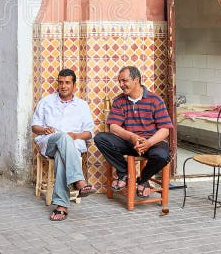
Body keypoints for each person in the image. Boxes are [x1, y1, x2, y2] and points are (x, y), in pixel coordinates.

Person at [94, 65, 173, 198]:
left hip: (150, 142)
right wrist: (132, 137)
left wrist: (148, 142)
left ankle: (143, 180)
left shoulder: (155, 100)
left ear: (136, 80)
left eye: (124, 81)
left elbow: (165, 129)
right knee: (100, 138)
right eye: (119, 81)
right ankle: (125, 173)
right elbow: (114, 127)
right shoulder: (119, 101)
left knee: (163, 155)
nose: (121, 84)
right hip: (129, 143)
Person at [30, 68, 95, 221]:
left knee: (63, 151)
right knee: (62, 138)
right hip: (50, 142)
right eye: (60, 83)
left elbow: (89, 133)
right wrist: (44, 129)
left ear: (74, 86)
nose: (63, 86)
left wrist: (76, 135)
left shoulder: (82, 105)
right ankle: (79, 181)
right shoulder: (46, 102)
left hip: (71, 146)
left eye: (67, 83)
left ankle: (61, 206)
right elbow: (34, 127)